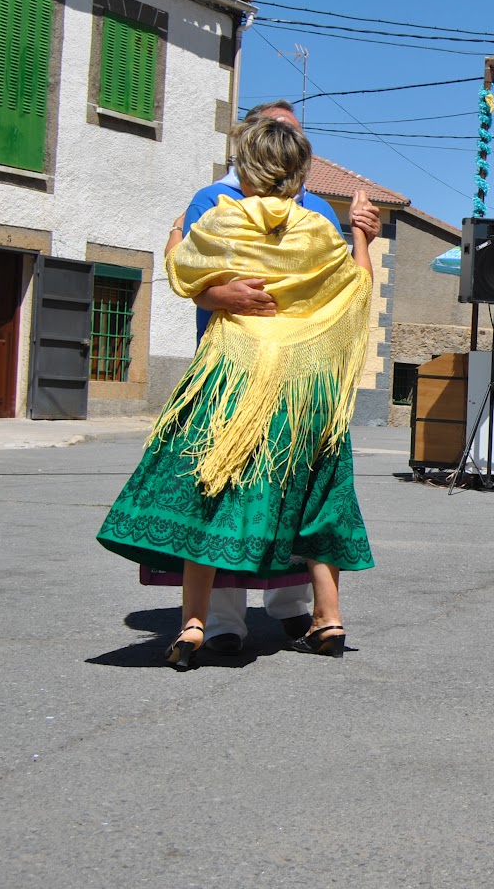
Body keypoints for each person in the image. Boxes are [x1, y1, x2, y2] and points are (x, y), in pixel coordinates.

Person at [98, 118, 377, 667]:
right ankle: (328, 618)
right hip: (306, 384)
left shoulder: (224, 219)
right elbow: (359, 290)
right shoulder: (318, 230)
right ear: (300, 175)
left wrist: (177, 235)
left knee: (212, 488)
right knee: (317, 495)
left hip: (235, 375)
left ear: (244, 169)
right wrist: (362, 236)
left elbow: (181, 272)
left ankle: (196, 624)